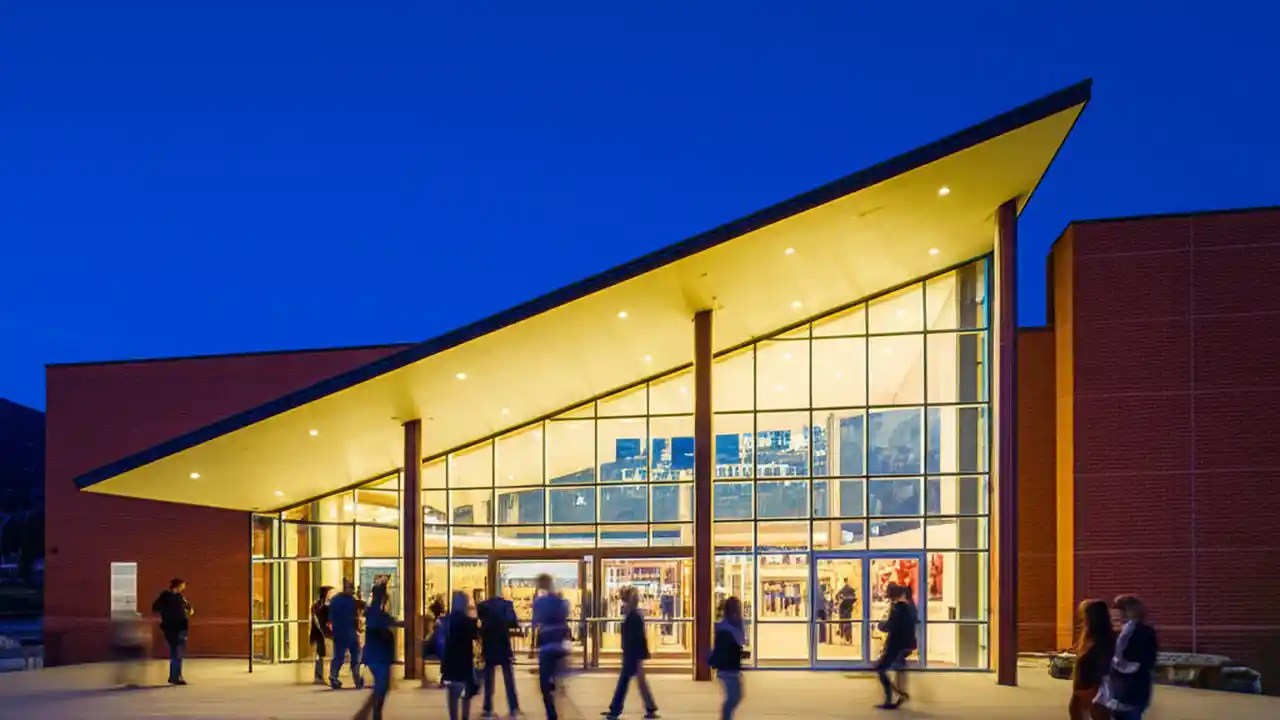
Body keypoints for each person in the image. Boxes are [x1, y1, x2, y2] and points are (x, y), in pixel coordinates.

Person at [1096, 595, 1158, 720]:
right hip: (1119, 687)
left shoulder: (1142, 632)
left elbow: (1148, 659)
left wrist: (1126, 666)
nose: (1113, 613)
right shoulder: (1116, 631)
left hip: (1132, 686)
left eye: (1118, 609)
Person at [604, 586, 660, 720]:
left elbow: (636, 636)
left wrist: (636, 652)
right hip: (634, 653)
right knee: (636, 682)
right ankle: (649, 707)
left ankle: (615, 709)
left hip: (632, 654)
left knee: (625, 681)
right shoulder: (633, 613)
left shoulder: (633, 615)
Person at [353, 583, 402, 720]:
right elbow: (382, 624)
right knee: (381, 687)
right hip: (378, 655)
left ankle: (370, 714)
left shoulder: (374, 612)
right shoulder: (376, 613)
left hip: (377, 655)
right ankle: (373, 715)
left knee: (381, 687)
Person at [531, 573, 571, 720]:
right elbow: (566, 614)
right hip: (560, 645)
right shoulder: (561, 601)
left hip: (547, 646)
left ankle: (552, 714)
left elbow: (535, 622)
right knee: (557, 680)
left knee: (544, 685)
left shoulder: (540, 602)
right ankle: (558, 703)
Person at [476, 590, 521, 719]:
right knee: (508, 678)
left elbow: (479, 623)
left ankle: (487, 708)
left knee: (488, 679)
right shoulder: (507, 605)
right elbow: (513, 622)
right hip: (503, 643)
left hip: (489, 644)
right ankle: (513, 707)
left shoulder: (483, 606)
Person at [1070, 599, 1115, 720]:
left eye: (1084, 614)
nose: (1082, 618)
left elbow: (1102, 664)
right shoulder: (1090, 635)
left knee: (1094, 714)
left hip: (1091, 686)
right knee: (1078, 712)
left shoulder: (1102, 639)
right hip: (1084, 684)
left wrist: (1094, 688)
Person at [874, 582, 916, 710]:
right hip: (907, 644)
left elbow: (891, 626)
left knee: (881, 669)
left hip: (896, 645)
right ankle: (899, 694)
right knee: (899, 667)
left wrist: (881, 625)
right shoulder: (909, 608)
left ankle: (894, 696)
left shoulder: (896, 609)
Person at [440, 590, 480, 720]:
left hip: (450, 663)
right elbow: (477, 635)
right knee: (465, 696)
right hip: (464, 664)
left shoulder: (446, 621)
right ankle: (464, 717)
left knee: (452, 696)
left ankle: (453, 718)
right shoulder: (468, 622)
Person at [151, 577, 193, 685]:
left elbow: (189, 609)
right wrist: (167, 614)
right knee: (176, 652)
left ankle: (175, 676)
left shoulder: (180, 597)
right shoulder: (166, 596)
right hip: (171, 628)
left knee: (178, 653)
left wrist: (188, 609)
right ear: (177, 586)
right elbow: (155, 607)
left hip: (181, 628)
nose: (183, 587)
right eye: (182, 585)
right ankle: (175, 677)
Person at [709, 596, 746, 720]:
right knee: (733, 697)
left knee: (734, 697)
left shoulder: (729, 626)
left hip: (730, 668)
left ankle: (726, 717)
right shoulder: (727, 628)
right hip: (728, 669)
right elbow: (738, 642)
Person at [328, 579, 365, 690]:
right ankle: (356, 675)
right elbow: (357, 613)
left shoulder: (335, 600)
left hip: (338, 632)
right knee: (355, 652)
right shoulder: (350, 601)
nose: (352, 591)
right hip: (348, 632)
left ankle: (333, 675)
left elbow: (331, 616)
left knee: (339, 655)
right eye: (351, 589)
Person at [309, 585, 333, 684]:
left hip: (322, 633)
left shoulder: (326, 606)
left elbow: (329, 619)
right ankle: (318, 676)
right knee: (320, 654)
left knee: (322, 654)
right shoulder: (317, 606)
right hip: (318, 632)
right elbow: (315, 618)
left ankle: (320, 675)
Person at [837, 578, 857, 644]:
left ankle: (843, 638)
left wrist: (840, 599)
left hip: (843, 609)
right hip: (848, 609)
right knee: (848, 623)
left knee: (842, 624)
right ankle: (849, 639)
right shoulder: (851, 589)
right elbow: (854, 598)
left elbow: (837, 596)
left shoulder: (843, 589)